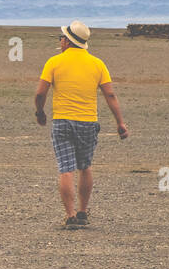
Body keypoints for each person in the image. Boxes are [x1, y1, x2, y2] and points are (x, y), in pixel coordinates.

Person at [33, 21, 129, 228]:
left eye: (61, 38)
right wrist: (120, 122)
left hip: (63, 122)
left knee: (66, 169)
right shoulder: (98, 64)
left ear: (67, 41)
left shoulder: (54, 62)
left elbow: (41, 93)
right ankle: (83, 212)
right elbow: (110, 94)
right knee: (85, 166)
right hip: (88, 123)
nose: (60, 41)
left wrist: (40, 112)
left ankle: (70, 216)